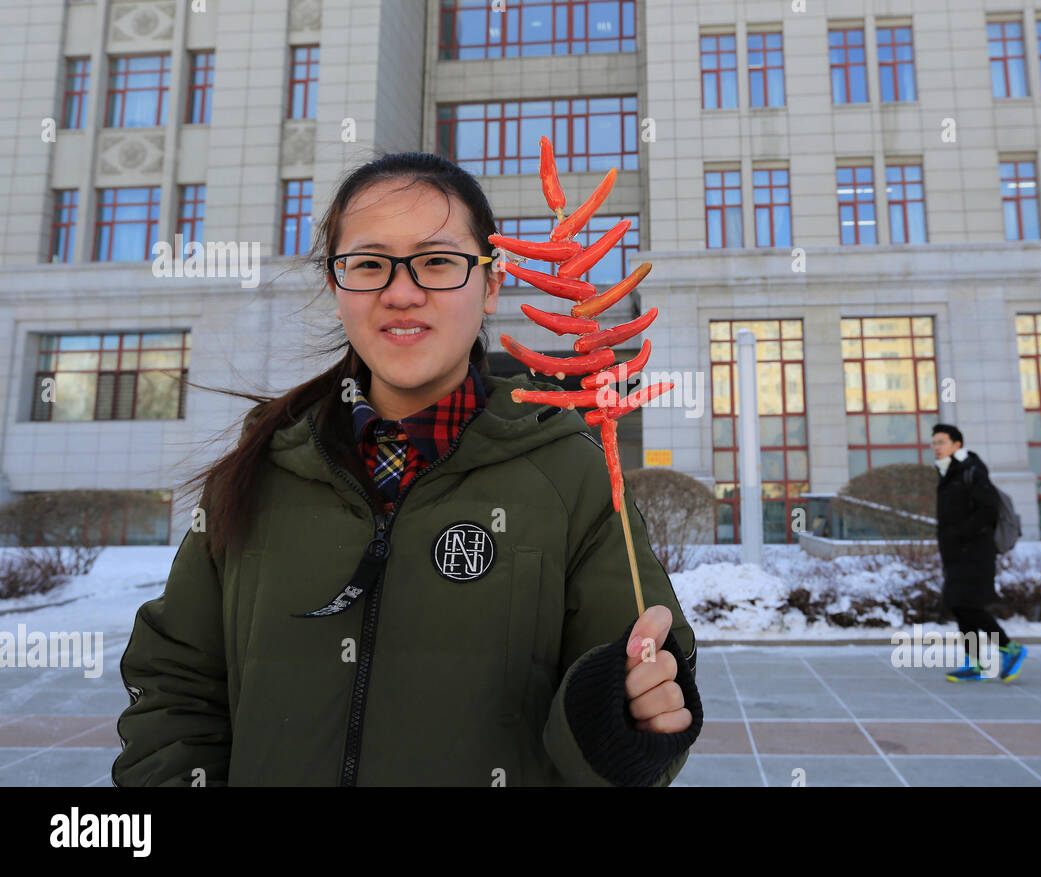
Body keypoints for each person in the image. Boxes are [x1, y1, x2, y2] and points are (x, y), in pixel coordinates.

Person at [111, 152, 702, 786]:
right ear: (336, 288)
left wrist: (628, 720)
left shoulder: (571, 474)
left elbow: (623, 698)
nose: (401, 292)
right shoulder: (257, 472)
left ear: (493, 284)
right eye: (368, 264)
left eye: (438, 261)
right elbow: (175, 683)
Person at [930, 423, 1026, 682]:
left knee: (968, 606)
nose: (936, 447)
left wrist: (959, 534)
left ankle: (1010, 648)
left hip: (975, 552)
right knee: (960, 607)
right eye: (934, 443)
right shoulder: (949, 473)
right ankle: (975, 664)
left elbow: (988, 510)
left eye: (941, 442)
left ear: (956, 445)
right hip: (957, 553)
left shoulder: (971, 471)